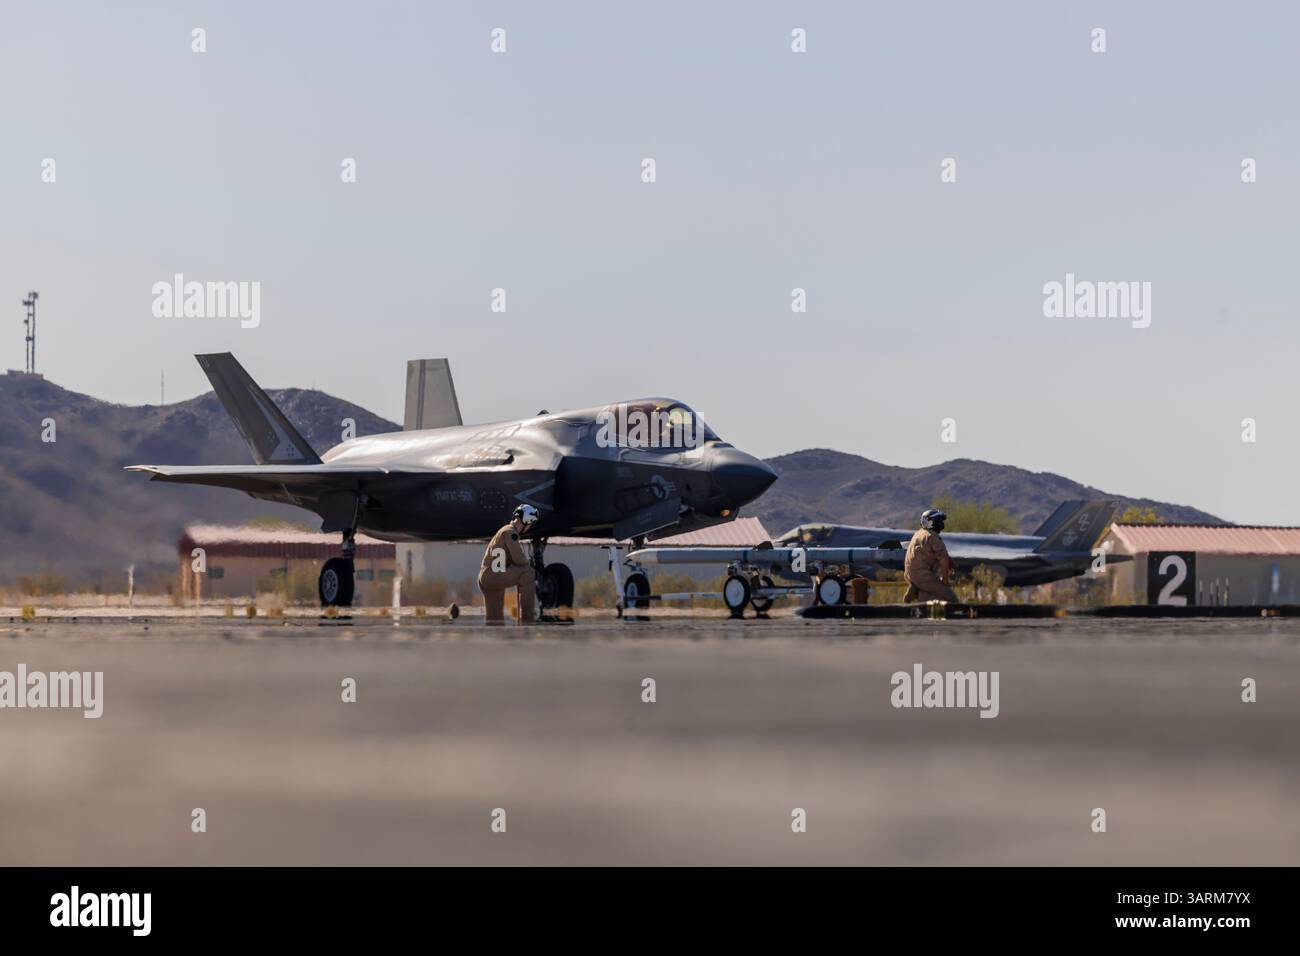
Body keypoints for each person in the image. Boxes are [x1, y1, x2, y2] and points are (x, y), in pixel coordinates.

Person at [478, 505, 539, 624]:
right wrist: (530, 565)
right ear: (526, 521)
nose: (529, 528)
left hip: (487, 577)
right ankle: (527, 619)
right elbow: (519, 559)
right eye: (530, 525)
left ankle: (494, 640)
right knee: (528, 573)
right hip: (494, 575)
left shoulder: (504, 530)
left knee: (495, 621)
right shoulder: (511, 534)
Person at [903, 508, 958, 603]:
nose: (941, 523)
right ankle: (916, 588)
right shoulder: (932, 536)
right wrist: (945, 580)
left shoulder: (918, 534)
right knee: (950, 597)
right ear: (932, 522)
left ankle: (916, 589)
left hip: (910, 574)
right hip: (923, 575)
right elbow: (943, 558)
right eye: (939, 521)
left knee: (927, 595)